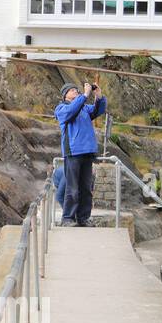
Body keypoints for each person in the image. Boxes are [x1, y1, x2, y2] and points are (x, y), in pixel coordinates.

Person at [54, 80, 107, 227]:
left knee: (86, 188)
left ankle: (83, 218)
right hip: (73, 152)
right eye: (72, 90)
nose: (75, 91)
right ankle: (67, 219)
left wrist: (98, 96)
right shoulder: (61, 108)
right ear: (65, 95)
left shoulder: (83, 108)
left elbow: (97, 110)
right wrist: (84, 95)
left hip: (87, 151)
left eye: (76, 90)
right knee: (72, 188)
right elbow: (70, 112)